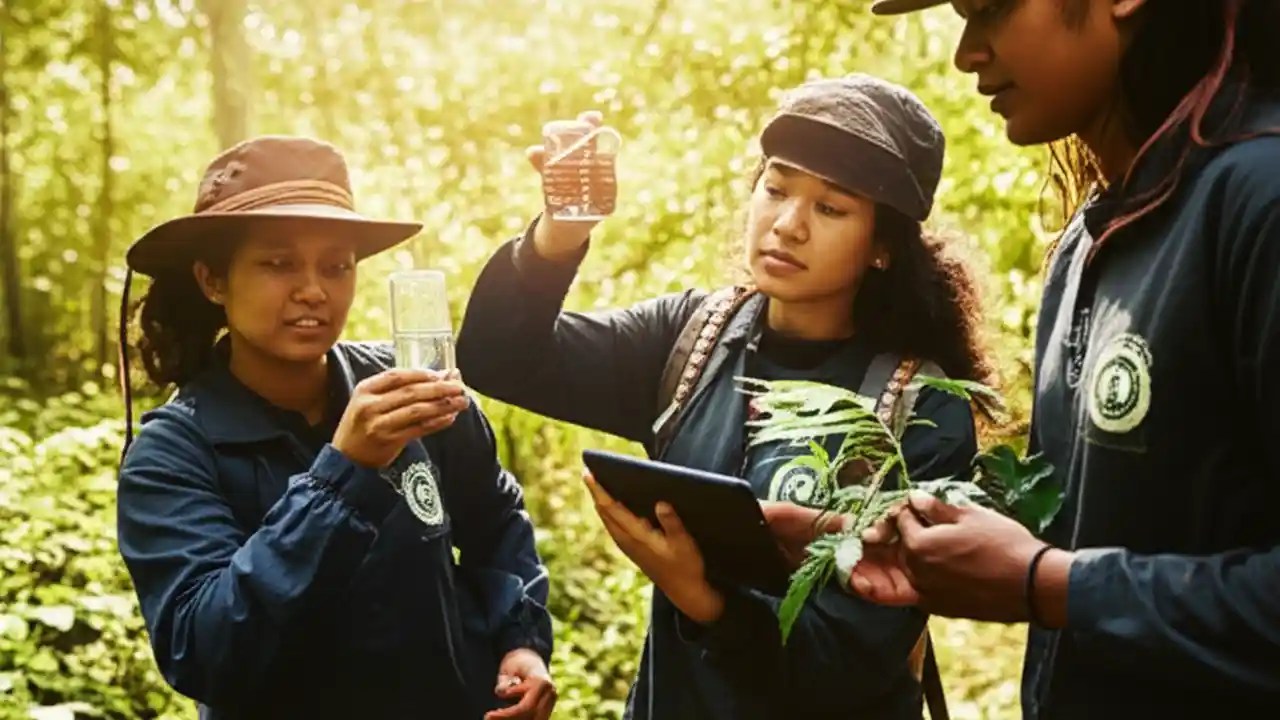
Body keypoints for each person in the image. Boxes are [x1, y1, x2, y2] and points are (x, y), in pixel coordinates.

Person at [765, 1, 1280, 718]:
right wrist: (874, 532)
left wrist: (1048, 584)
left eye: (988, 8)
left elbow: (1060, 573)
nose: (966, 52)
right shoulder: (1088, 243)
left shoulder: (1259, 199)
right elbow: (1089, 519)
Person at [455, 74, 992, 719]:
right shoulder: (692, 342)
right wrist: (559, 235)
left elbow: (852, 657)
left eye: (831, 207)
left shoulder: (921, 407)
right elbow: (500, 360)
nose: (788, 225)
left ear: (883, 247)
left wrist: (704, 598)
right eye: (776, 188)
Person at [114, 136, 556, 720]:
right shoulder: (173, 453)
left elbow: (494, 519)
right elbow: (205, 649)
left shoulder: (409, 393)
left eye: (336, 266)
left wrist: (518, 637)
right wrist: (344, 474)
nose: (314, 290)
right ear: (213, 281)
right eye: (278, 264)